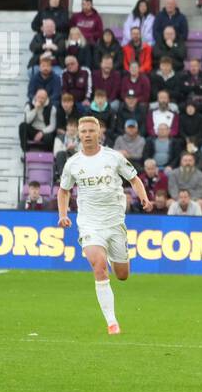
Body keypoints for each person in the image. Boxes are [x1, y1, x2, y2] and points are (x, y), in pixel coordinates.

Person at [57, 116, 154, 335]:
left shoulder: (113, 157)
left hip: (114, 222)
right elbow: (64, 190)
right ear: (78, 134)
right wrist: (63, 214)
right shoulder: (73, 163)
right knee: (98, 265)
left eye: (92, 131)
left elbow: (134, 179)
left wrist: (144, 198)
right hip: (90, 223)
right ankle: (112, 322)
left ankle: (112, 255)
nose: (87, 135)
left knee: (122, 275)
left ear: (99, 133)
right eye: (83, 131)